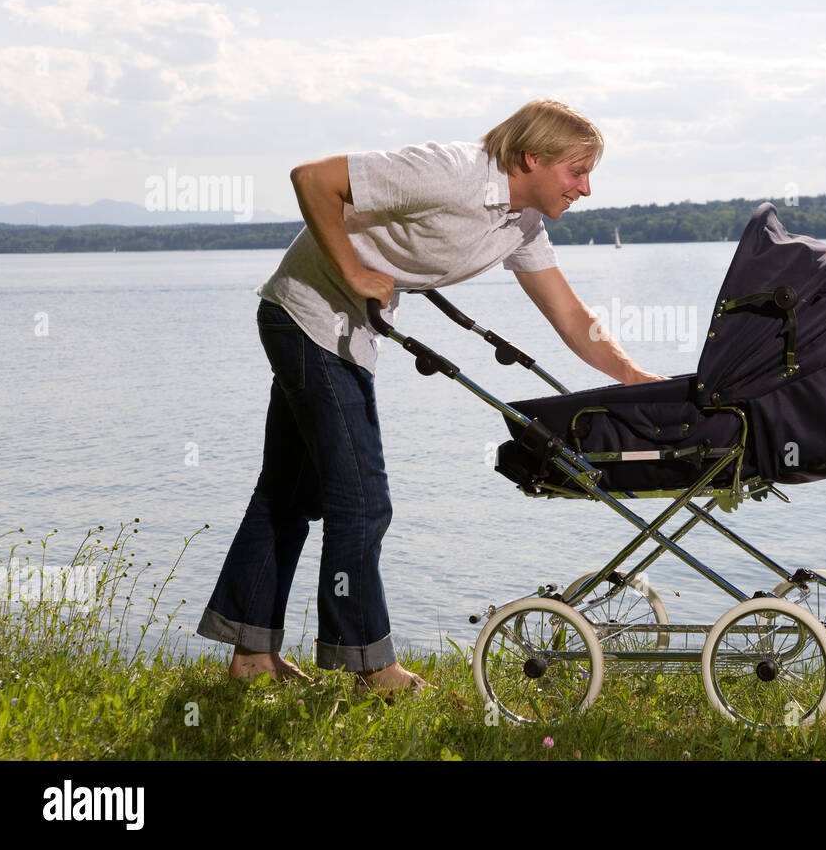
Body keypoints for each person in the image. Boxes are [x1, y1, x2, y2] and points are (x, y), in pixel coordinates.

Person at [196, 99, 661, 697]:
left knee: (288, 491)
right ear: (532, 158)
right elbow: (312, 179)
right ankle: (370, 666)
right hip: (308, 317)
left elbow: (571, 317)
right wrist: (356, 273)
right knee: (362, 499)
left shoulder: (520, 224)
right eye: (577, 172)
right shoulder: (451, 171)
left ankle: (252, 655)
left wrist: (635, 379)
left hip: (339, 331)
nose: (586, 188)